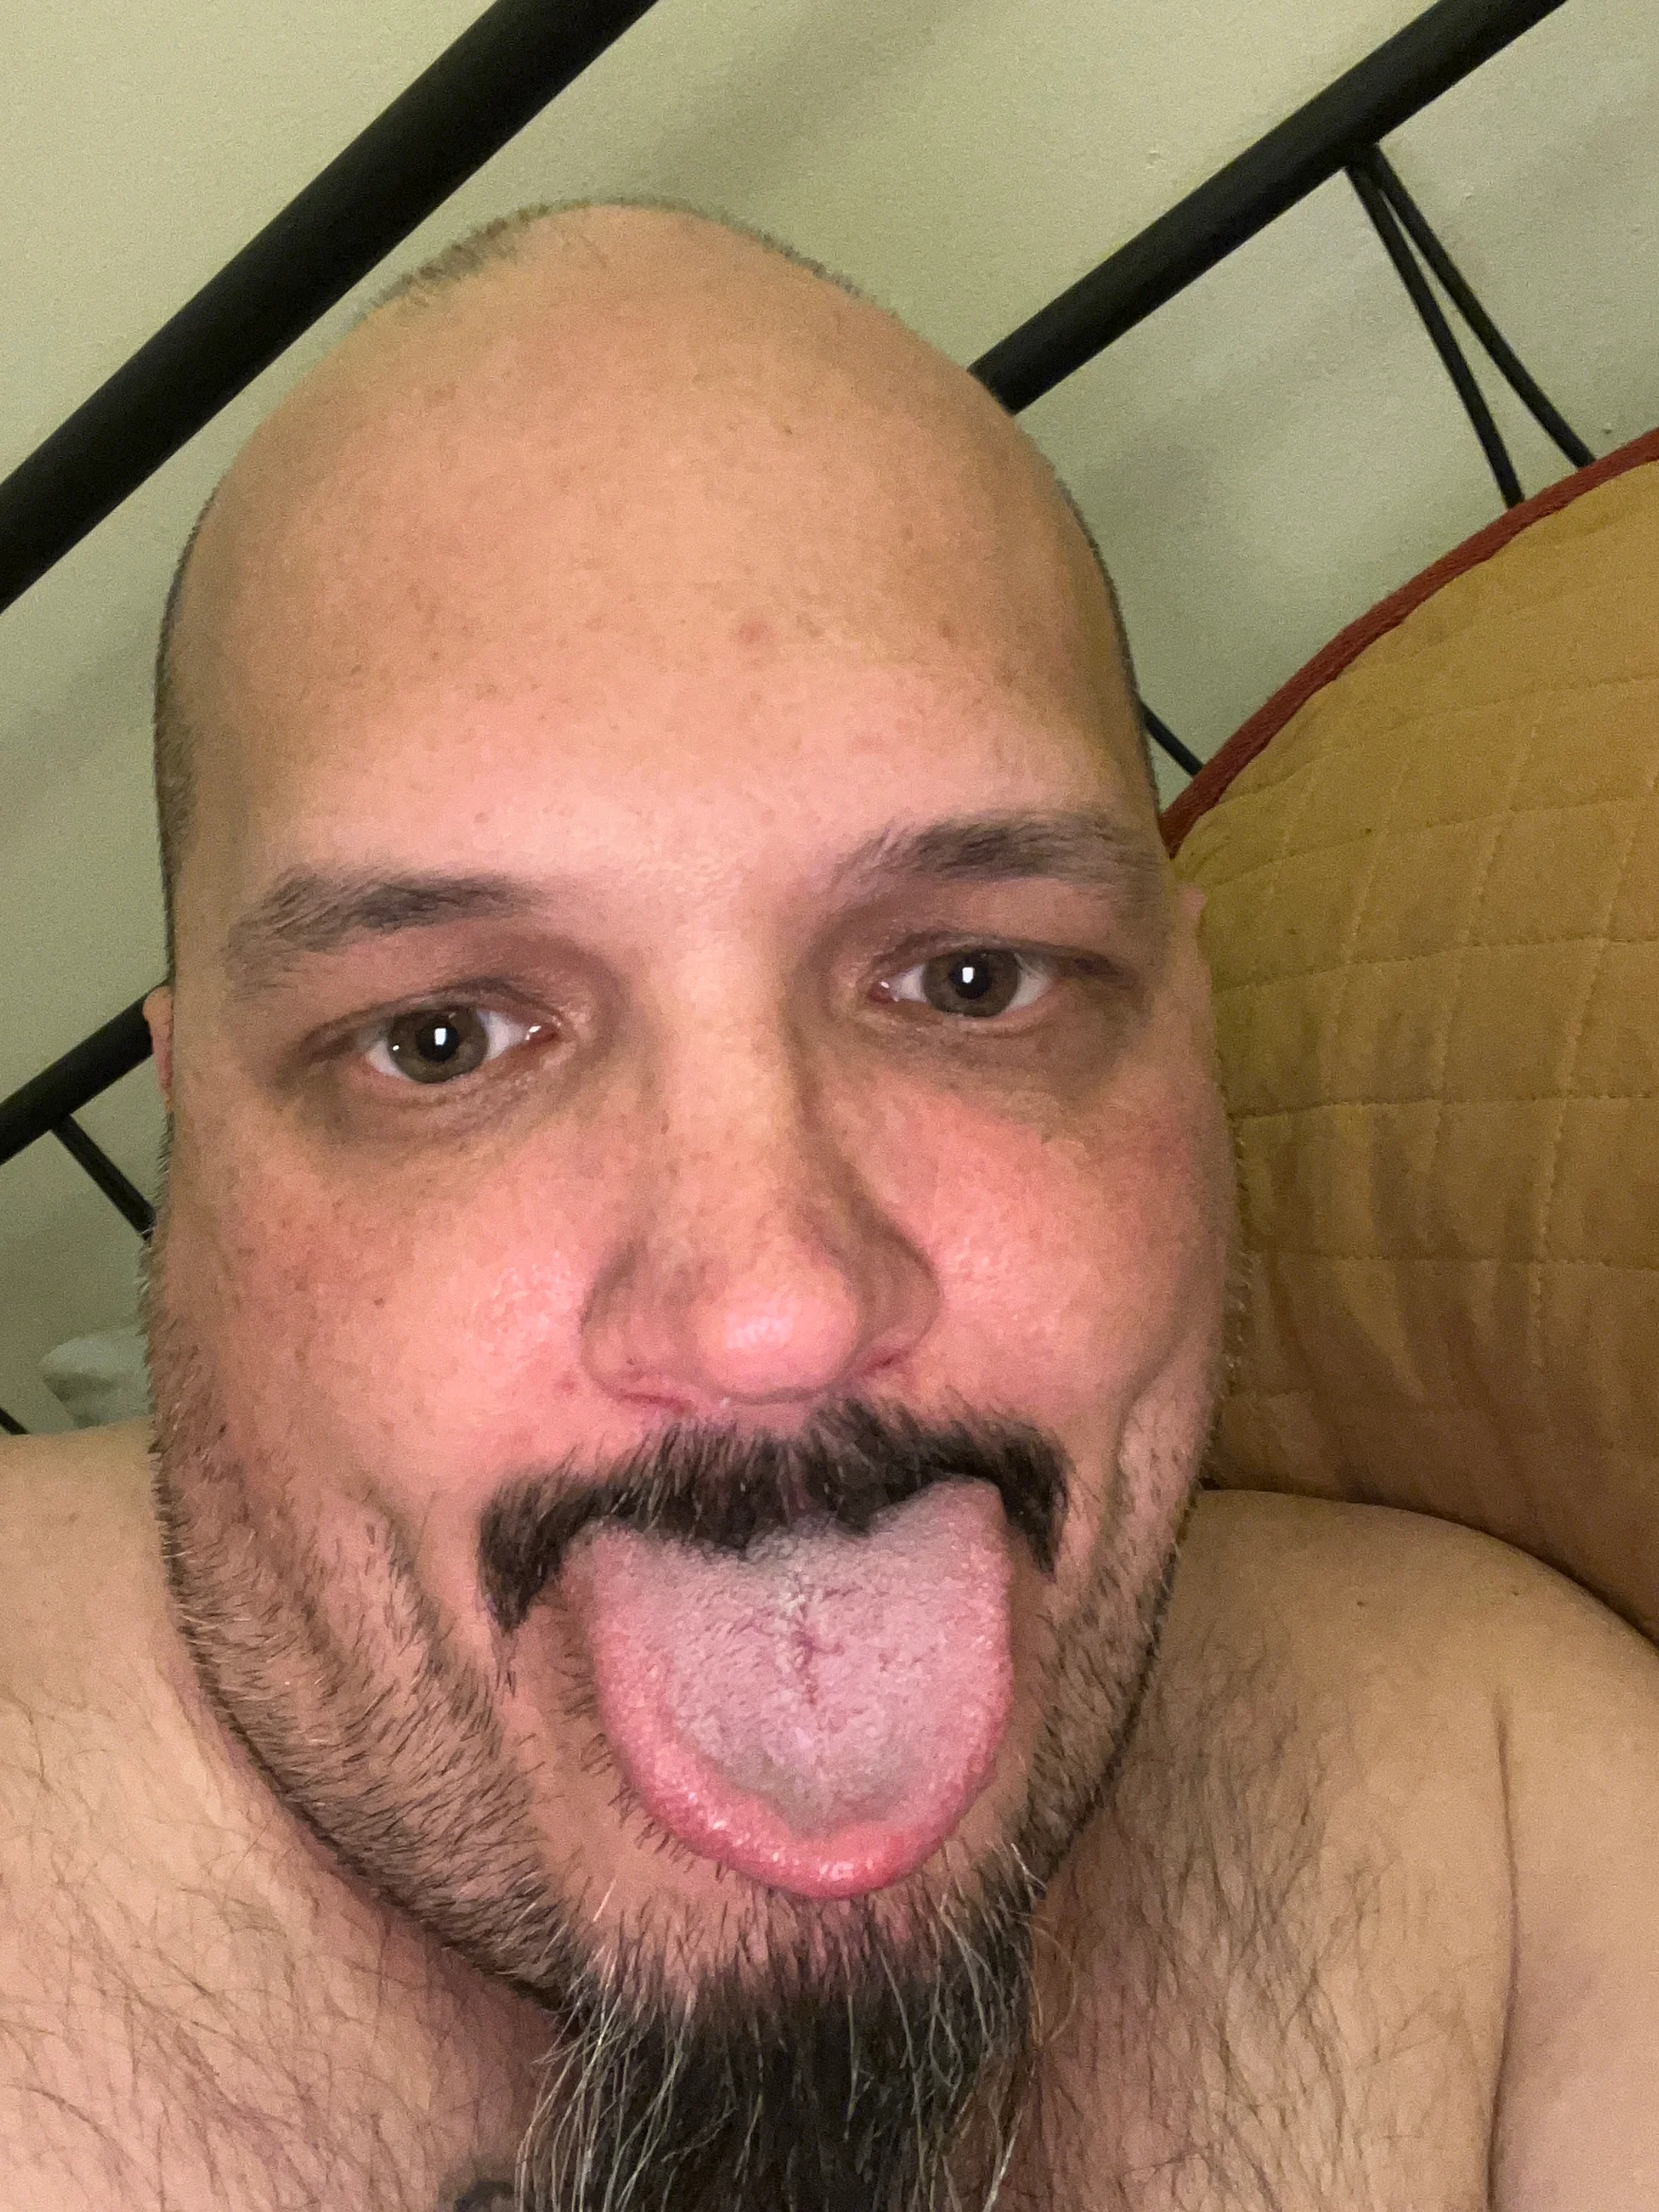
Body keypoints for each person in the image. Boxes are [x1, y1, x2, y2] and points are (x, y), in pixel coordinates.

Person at [3, 202, 1656, 2212]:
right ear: (192, 1132)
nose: (774, 1306)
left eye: (969, 979)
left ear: (1190, 1034)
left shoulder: (1514, 1822)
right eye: (443, 1040)